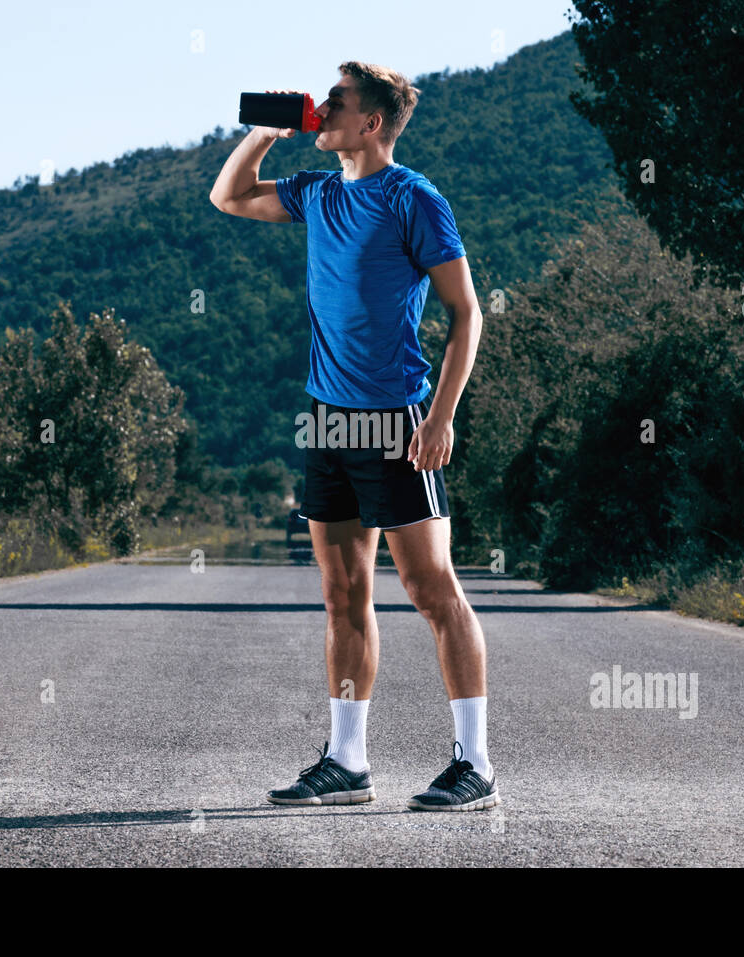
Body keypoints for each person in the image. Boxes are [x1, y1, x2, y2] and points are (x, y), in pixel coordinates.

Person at [209, 61, 497, 811]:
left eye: (335, 102)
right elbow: (228, 195)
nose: (322, 108)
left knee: (433, 591)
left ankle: (477, 765)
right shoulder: (318, 191)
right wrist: (272, 129)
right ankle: (347, 761)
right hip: (327, 417)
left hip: (396, 419)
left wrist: (442, 417)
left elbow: (467, 313)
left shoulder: (415, 200)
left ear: (371, 123)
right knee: (343, 594)